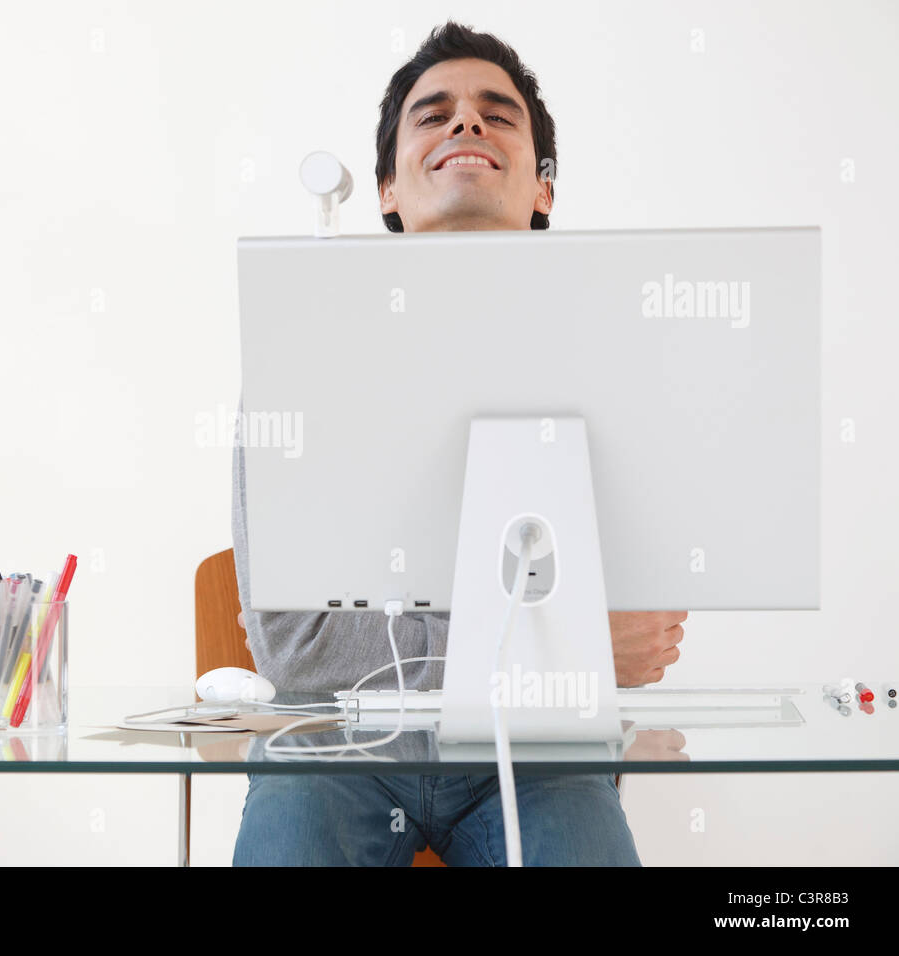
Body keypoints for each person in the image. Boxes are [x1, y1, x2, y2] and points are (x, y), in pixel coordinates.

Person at [230, 21, 686, 866]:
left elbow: (645, 636)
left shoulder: (611, 357)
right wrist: (569, 646)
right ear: (387, 190)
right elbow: (299, 648)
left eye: (496, 114)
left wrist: (575, 652)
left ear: (543, 188)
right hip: (337, 750)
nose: (466, 124)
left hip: (543, 755)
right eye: (433, 114)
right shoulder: (304, 349)